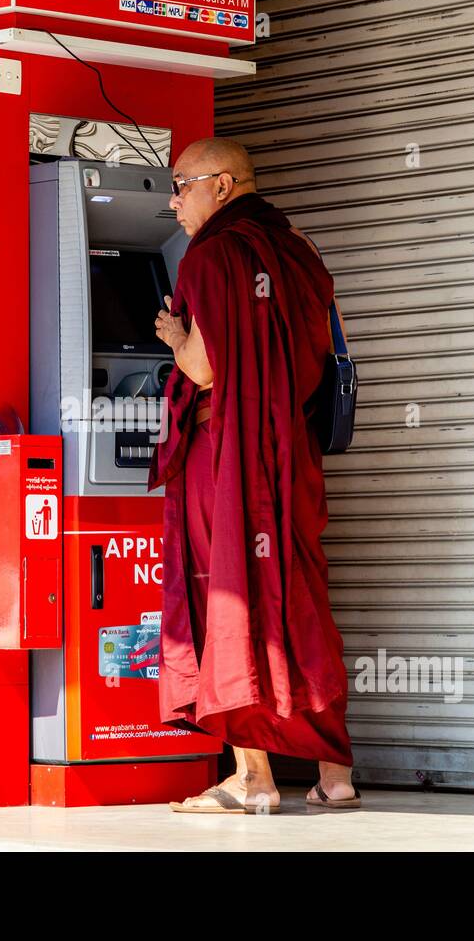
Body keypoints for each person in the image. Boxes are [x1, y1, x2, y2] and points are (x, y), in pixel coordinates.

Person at [148, 137, 361, 814]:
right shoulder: (299, 249)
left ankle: (254, 778)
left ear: (224, 183)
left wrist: (176, 340)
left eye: (181, 184)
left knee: (232, 595)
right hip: (291, 452)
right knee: (300, 599)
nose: (175, 200)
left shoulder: (213, 255)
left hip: (229, 451)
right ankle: (334, 777)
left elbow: (208, 370)